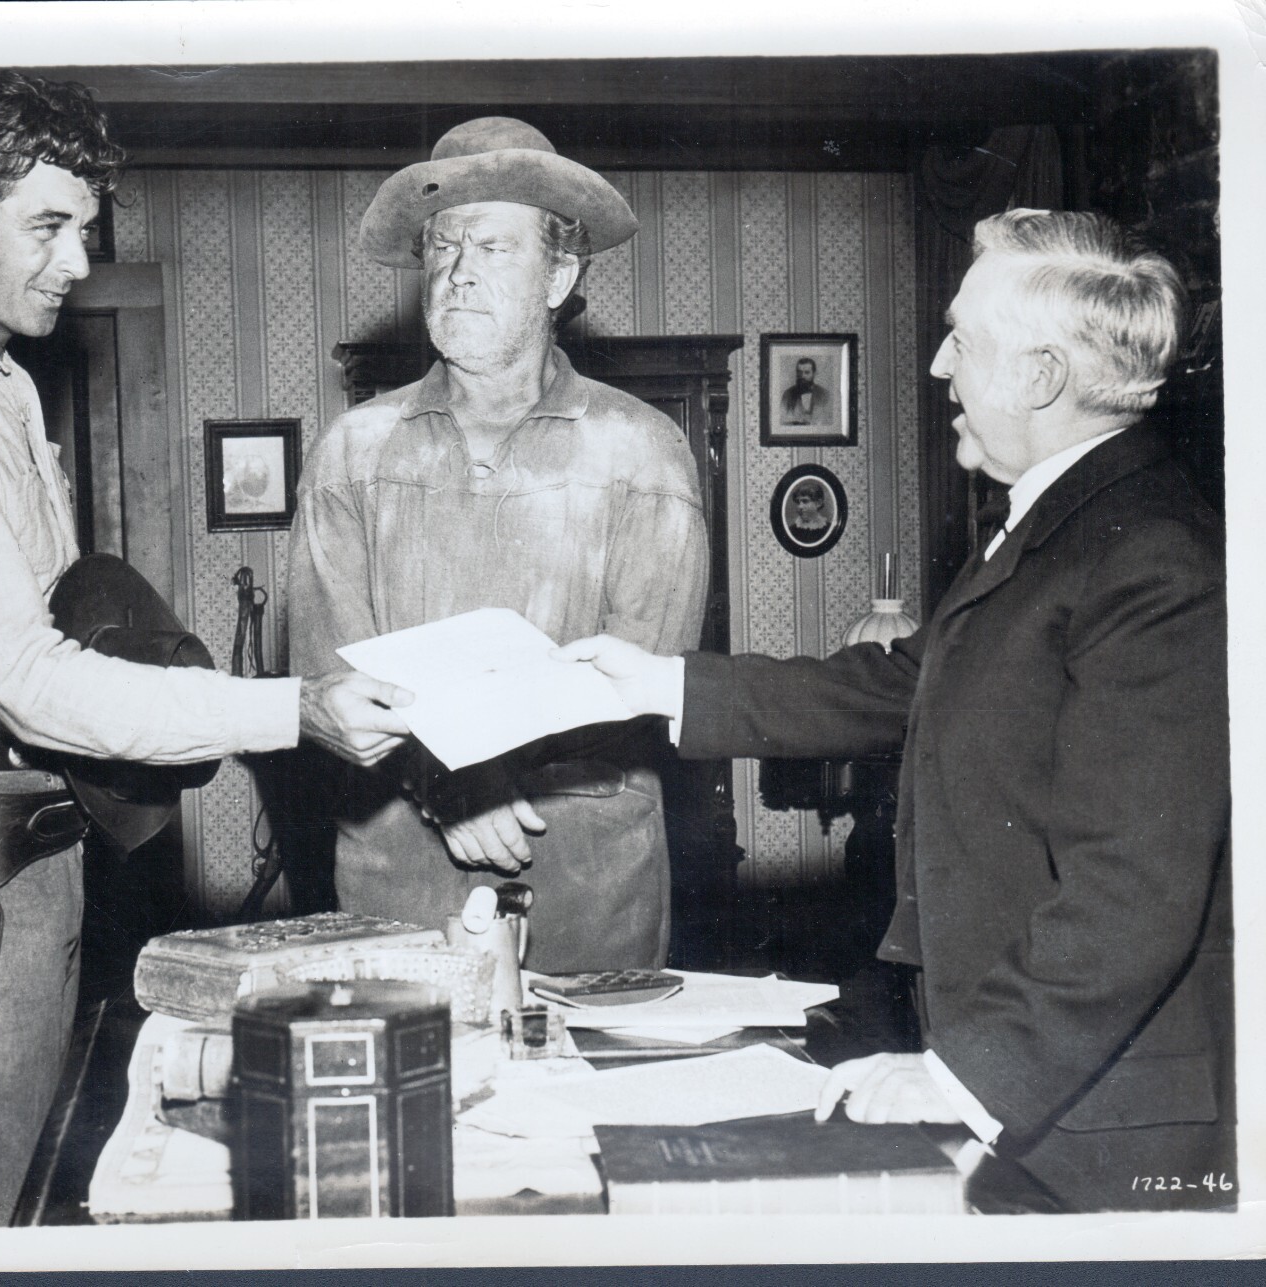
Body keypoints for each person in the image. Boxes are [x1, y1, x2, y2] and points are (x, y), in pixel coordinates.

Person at [0, 70, 411, 1229]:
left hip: (17, 835)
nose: (77, 261)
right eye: (46, 227)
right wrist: (289, 708)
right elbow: (30, 681)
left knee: (36, 1166)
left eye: (86, 228)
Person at [557, 209, 1231, 1213]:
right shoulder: (1063, 523)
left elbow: (1132, 889)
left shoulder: (1153, 559)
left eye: (962, 339)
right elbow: (901, 681)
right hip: (1048, 1092)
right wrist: (657, 684)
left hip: (1099, 1126)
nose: (938, 366)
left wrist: (966, 1079)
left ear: (1041, 376)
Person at [287, 117, 708, 971]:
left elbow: (639, 681)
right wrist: (444, 781)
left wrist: (477, 774)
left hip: (587, 882)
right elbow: (330, 680)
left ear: (560, 276)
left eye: (493, 247)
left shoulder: (642, 450)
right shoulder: (352, 451)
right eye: (442, 247)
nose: (459, 271)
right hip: (397, 877)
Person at [779, 356, 832, 425]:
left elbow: (828, 421)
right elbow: (782, 421)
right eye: (799, 372)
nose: (802, 376)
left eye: (807, 372)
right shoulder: (787, 394)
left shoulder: (824, 394)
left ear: (814, 374)